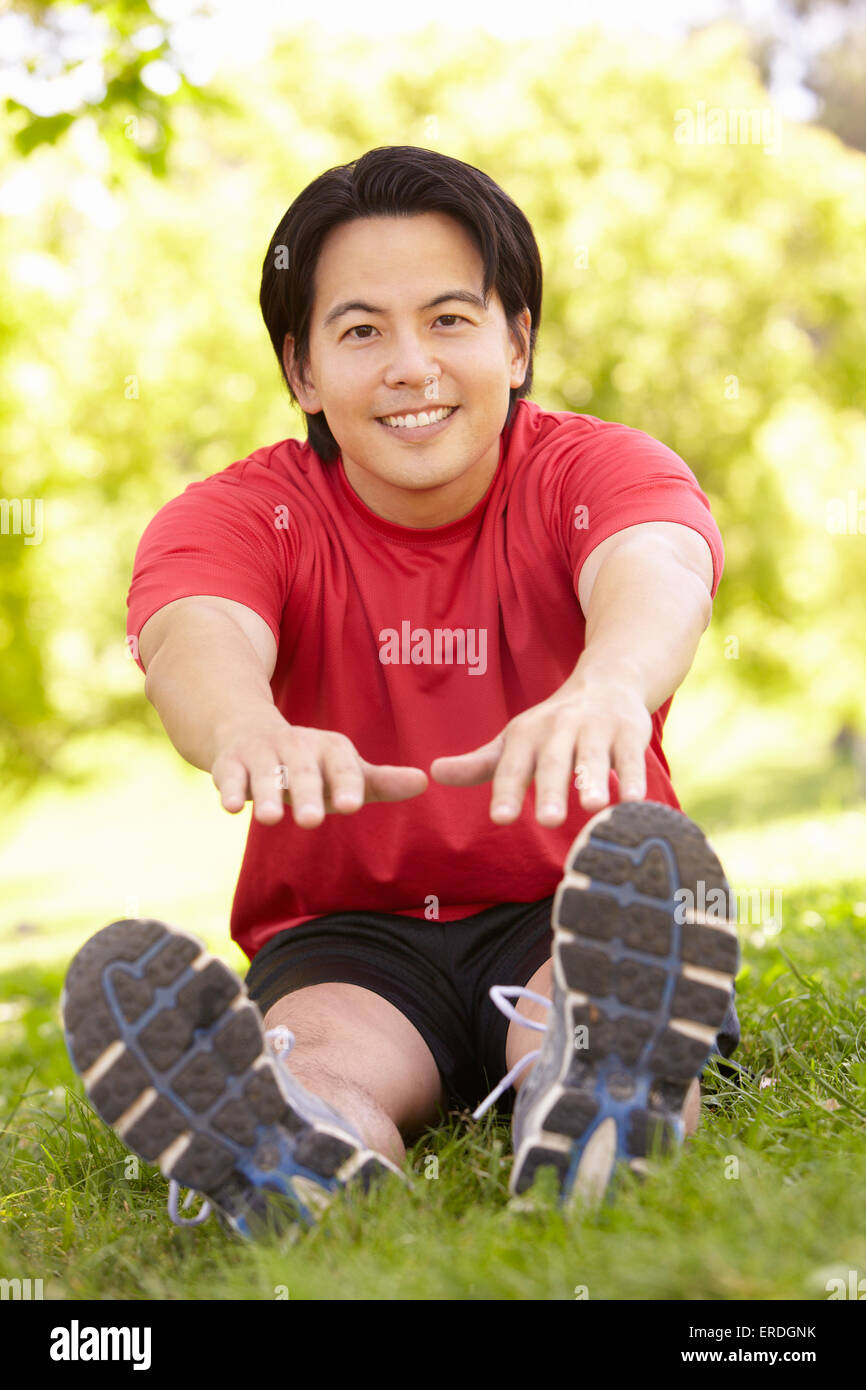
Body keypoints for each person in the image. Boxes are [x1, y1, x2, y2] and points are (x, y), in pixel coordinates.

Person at [62, 145, 740, 1239]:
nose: (409, 366)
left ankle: (605, 1090)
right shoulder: (241, 514)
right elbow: (194, 630)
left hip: (584, 902)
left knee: (585, 1008)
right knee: (325, 1051)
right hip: (349, 932)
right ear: (301, 370)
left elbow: (655, 564)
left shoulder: (596, 468)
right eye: (361, 330)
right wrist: (247, 723)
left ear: (515, 341)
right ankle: (298, 1145)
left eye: (449, 320)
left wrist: (607, 683)